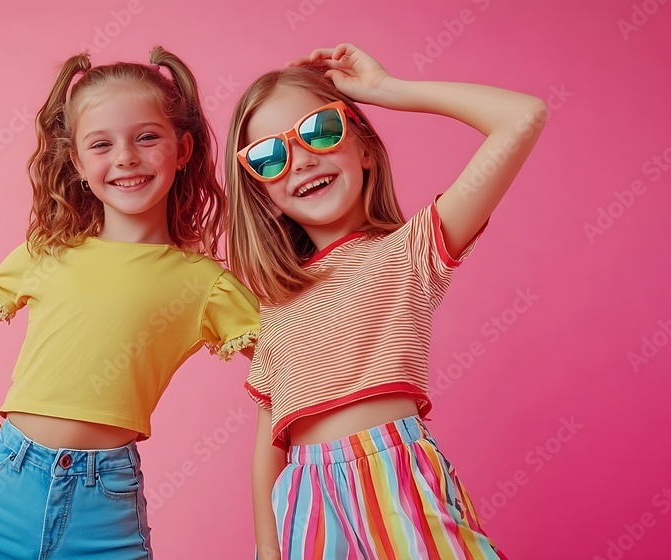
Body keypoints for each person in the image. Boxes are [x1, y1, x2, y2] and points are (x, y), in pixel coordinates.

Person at [0, 46, 259, 559]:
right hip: (4, 491)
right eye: (101, 144)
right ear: (78, 164)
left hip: (105, 506)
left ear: (184, 149)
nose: (126, 157)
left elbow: (292, 371)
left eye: (147, 137)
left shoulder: (205, 284)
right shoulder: (47, 254)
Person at [225, 43, 546, 559]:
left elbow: (523, 117)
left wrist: (386, 91)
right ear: (261, 191)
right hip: (305, 503)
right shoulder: (275, 303)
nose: (301, 160)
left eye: (320, 131)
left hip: (396, 481)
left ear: (365, 148)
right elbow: (272, 432)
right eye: (268, 156)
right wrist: (266, 548)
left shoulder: (408, 251)